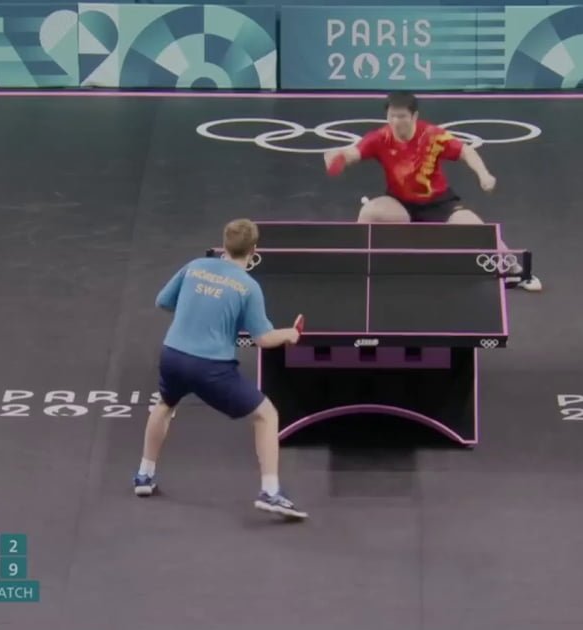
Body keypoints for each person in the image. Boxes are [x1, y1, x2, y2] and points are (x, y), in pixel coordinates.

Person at [133, 218, 308, 520]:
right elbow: (264, 339)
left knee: (164, 404)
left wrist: (198, 307)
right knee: (266, 415)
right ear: (254, 250)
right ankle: (270, 492)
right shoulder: (249, 287)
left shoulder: (195, 266)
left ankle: (144, 476)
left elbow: (163, 301)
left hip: (173, 355)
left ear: (224, 244)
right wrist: (291, 335)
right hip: (210, 367)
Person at [322, 91, 542, 292]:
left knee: (476, 228)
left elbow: (466, 151)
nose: (396, 122)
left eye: (401, 116)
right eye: (391, 116)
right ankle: (360, 264)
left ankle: (518, 273)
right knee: (370, 212)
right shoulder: (379, 138)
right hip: (401, 204)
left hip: (439, 203)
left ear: (414, 116)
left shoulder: (432, 135)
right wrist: (337, 154)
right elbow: (351, 153)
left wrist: (484, 175)